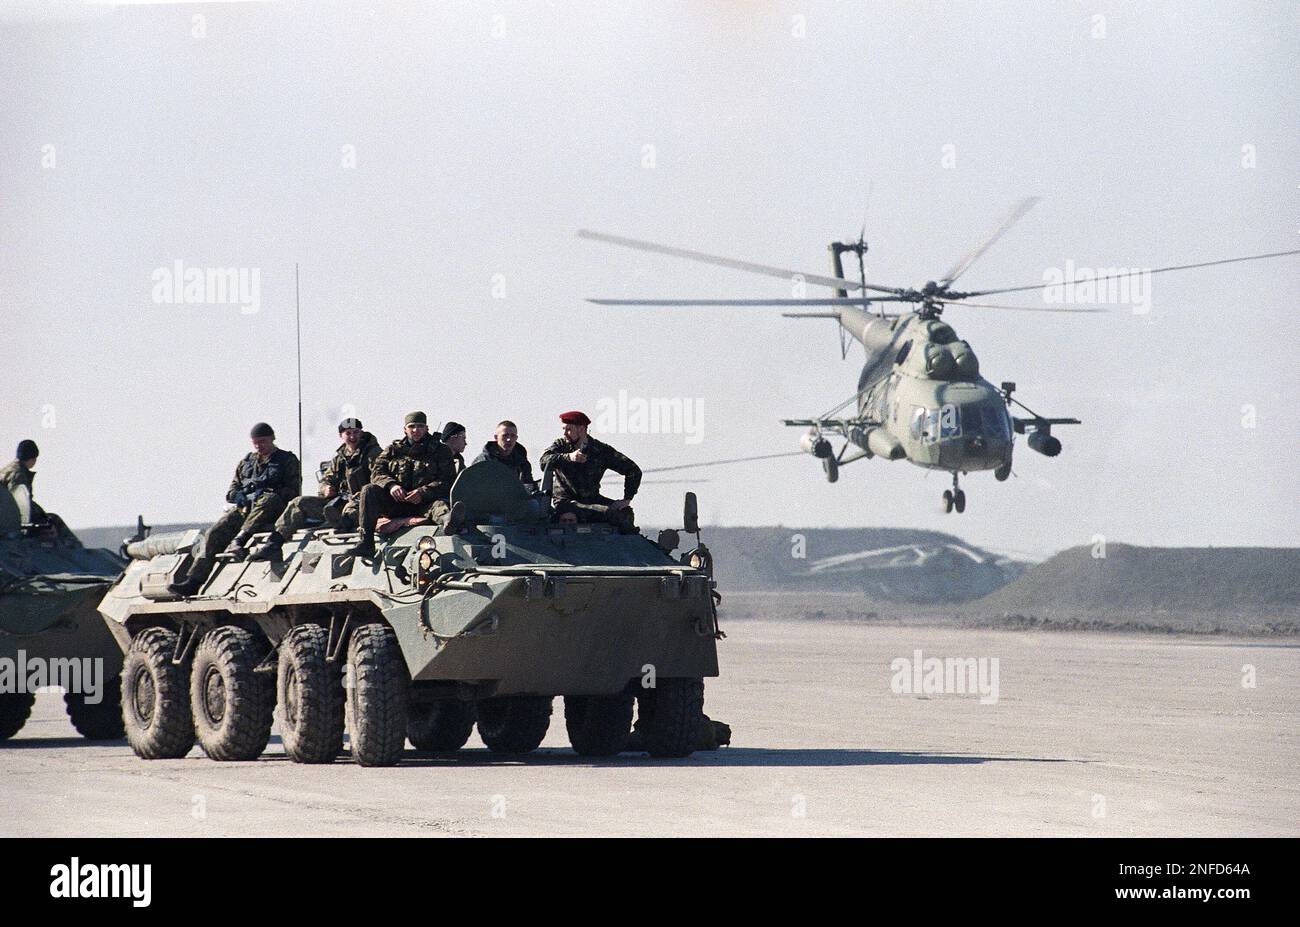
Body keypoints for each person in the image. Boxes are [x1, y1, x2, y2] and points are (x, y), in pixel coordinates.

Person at [170, 423, 301, 596]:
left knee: (268, 500)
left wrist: (268, 492)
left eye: (262, 441)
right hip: (246, 508)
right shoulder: (246, 463)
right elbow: (231, 491)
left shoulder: (286, 460)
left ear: (272, 438)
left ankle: (240, 540)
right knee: (214, 533)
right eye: (255, 442)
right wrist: (239, 496)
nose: (259, 446)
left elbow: (293, 490)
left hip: (273, 509)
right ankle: (194, 581)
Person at [247, 417, 380, 561]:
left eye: (356, 432)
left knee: (349, 511)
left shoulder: (373, 453)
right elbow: (326, 479)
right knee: (298, 503)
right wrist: (326, 488)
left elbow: (378, 479)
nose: (353, 437)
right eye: (348, 433)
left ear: (361, 432)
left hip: (361, 504)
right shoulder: (340, 458)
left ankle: (341, 522)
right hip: (337, 503)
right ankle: (274, 543)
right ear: (341, 436)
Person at [345, 411, 463, 559]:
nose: (416, 430)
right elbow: (376, 473)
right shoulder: (393, 450)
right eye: (412, 426)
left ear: (427, 428)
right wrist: (391, 486)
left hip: (424, 503)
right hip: (396, 503)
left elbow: (447, 480)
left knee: (440, 507)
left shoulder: (440, 451)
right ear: (405, 429)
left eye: (420, 426)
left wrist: (422, 492)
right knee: (368, 490)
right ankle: (366, 542)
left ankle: (449, 522)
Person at [539, 410, 641, 528]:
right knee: (608, 513)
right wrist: (568, 457)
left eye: (569, 429)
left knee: (625, 513)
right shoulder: (561, 446)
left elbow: (633, 470)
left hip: (592, 499)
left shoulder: (600, 450)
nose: (565, 434)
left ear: (581, 429)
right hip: (566, 502)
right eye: (564, 430)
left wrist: (627, 498)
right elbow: (543, 461)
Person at [473, 420, 535, 485]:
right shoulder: (484, 461)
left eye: (512, 436)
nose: (509, 439)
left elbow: (528, 486)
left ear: (516, 438)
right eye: (505, 435)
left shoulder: (522, 462)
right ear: (496, 437)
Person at [1, 439, 44, 524]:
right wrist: (43, 516)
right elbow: (21, 504)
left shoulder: (8, 470)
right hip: (10, 522)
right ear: (32, 459)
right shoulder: (19, 474)